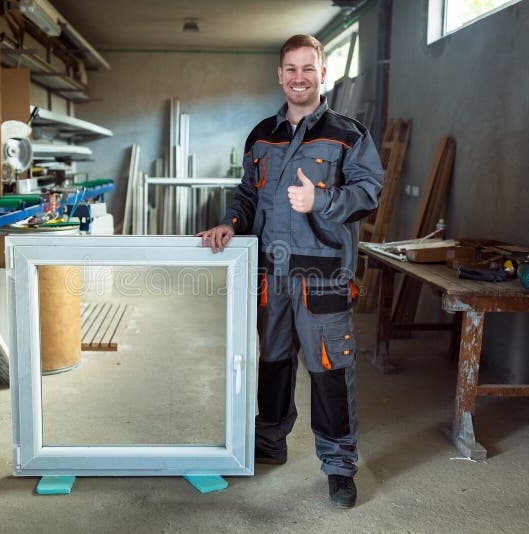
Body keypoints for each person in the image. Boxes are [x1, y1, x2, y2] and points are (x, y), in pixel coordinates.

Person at [197, 34, 384, 508]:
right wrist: (229, 222)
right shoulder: (261, 135)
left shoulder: (349, 133)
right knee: (273, 363)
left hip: (322, 276)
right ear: (280, 76)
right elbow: (247, 194)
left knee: (329, 370)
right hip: (270, 274)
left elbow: (369, 193)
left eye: (309, 68)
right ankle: (271, 440)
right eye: (291, 69)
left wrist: (320, 199)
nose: (300, 77)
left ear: (323, 74)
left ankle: (340, 466)